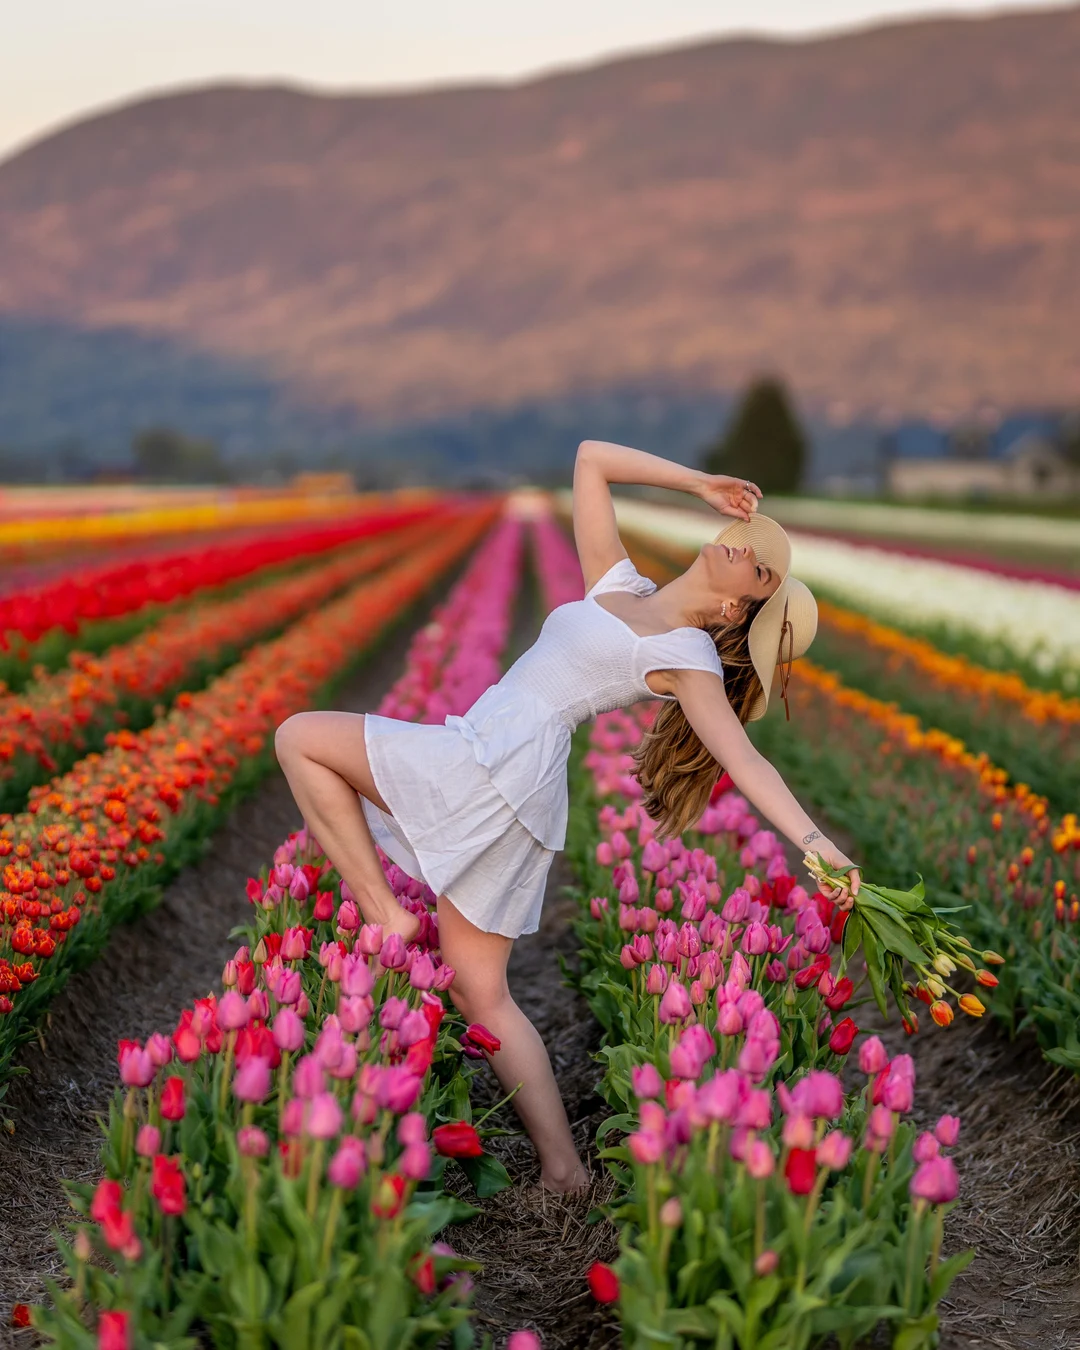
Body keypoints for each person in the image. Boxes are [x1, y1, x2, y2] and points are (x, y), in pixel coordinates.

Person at [274, 440, 861, 1194]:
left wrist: (820, 848)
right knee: (480, 996)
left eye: (755, 560)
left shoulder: (688, 654)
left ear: (736, 605)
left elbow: (746, 763)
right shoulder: (622, 584)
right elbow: (590, 460)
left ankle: (386, 915)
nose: (741, 543)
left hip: (501, 767)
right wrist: (698, 483)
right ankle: (564, 1170)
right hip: (492, 754)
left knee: (300, 737)